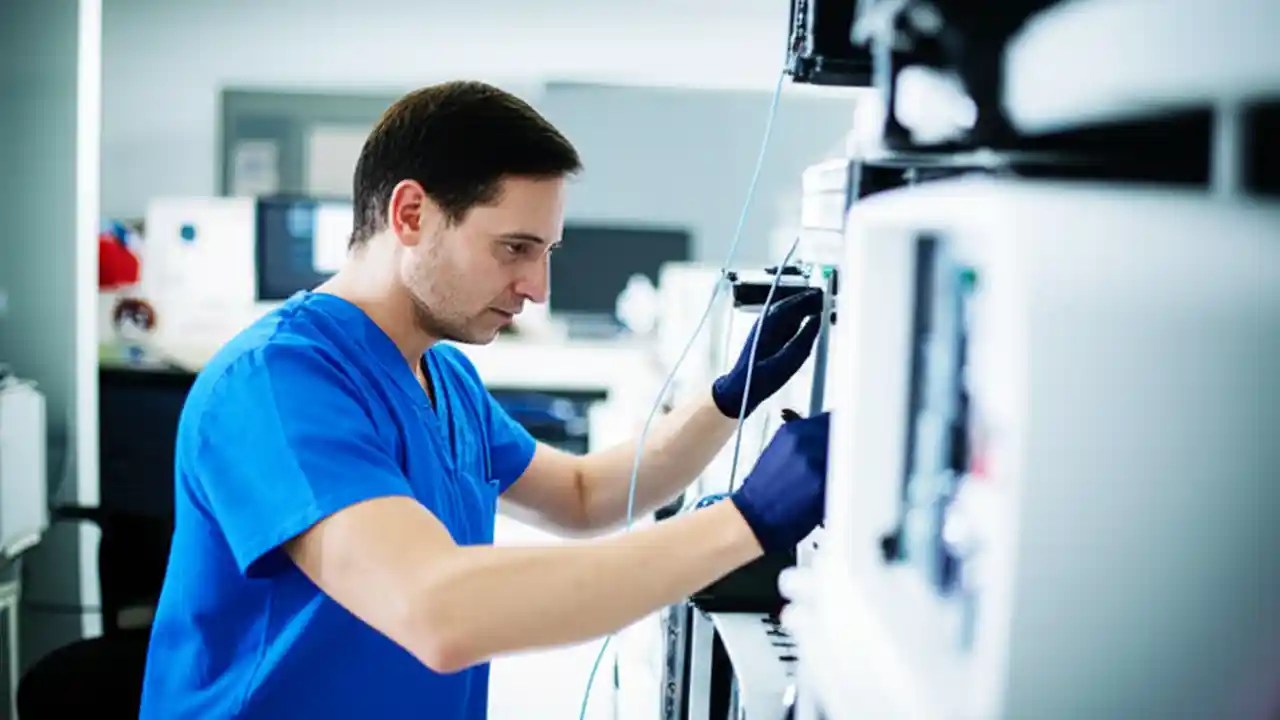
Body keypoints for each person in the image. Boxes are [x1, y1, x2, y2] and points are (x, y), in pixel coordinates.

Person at [138, 80, 831, 719]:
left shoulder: (441, 374)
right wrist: (747, 523)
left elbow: (586, 496)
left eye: (547, 251)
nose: (538, 287)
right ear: (410, 213)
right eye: (514, 248)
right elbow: (439, 609)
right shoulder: (277, 383)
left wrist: (726, 400)